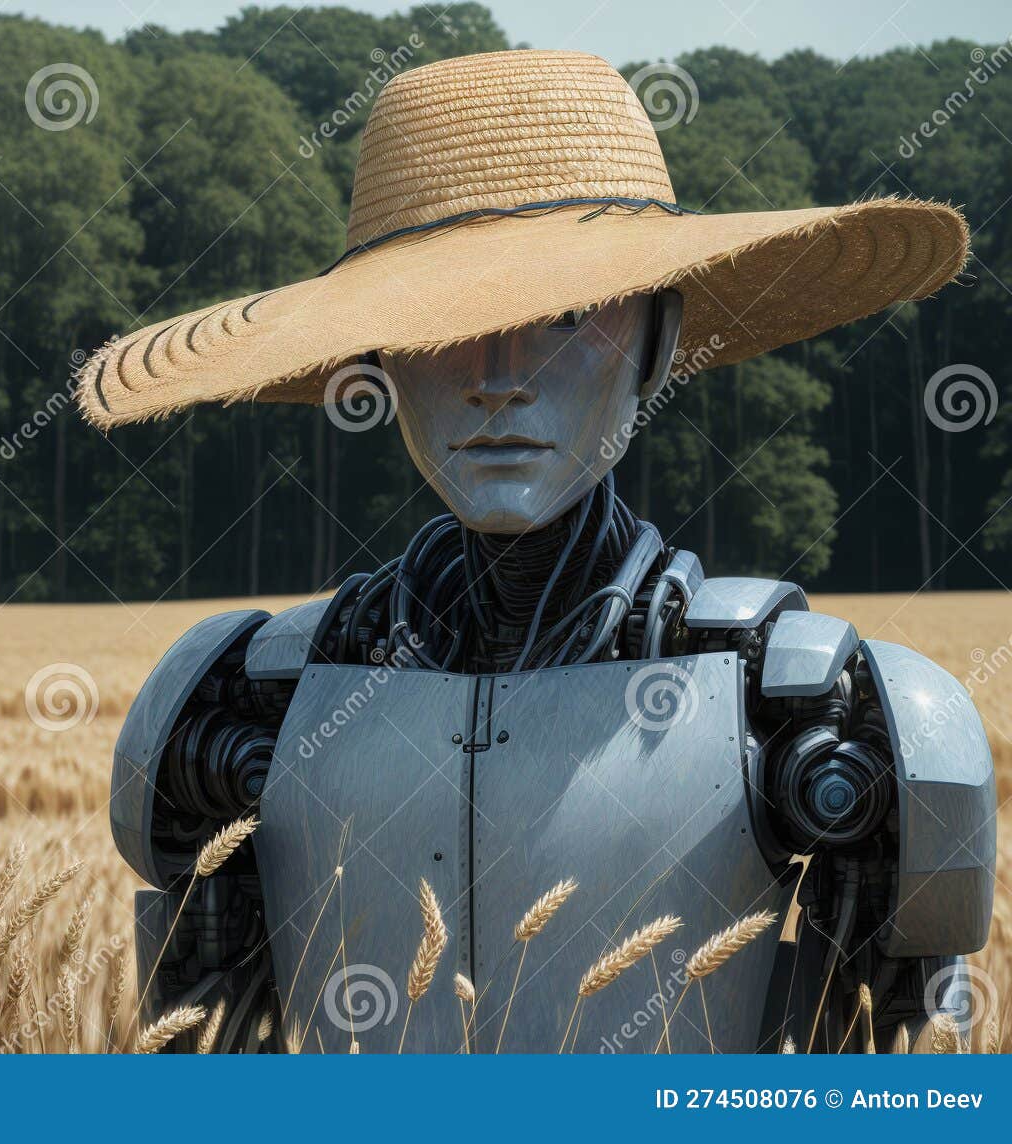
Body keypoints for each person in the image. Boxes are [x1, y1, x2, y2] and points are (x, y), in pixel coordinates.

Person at [81, 50, 993, 1053]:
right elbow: (199, 1071)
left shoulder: (816, 709)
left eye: (565, 316)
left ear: (659, 341)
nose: (499, 377)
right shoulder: (243, 702)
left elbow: (898, 1069)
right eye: (437, 324)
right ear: (375, 364)